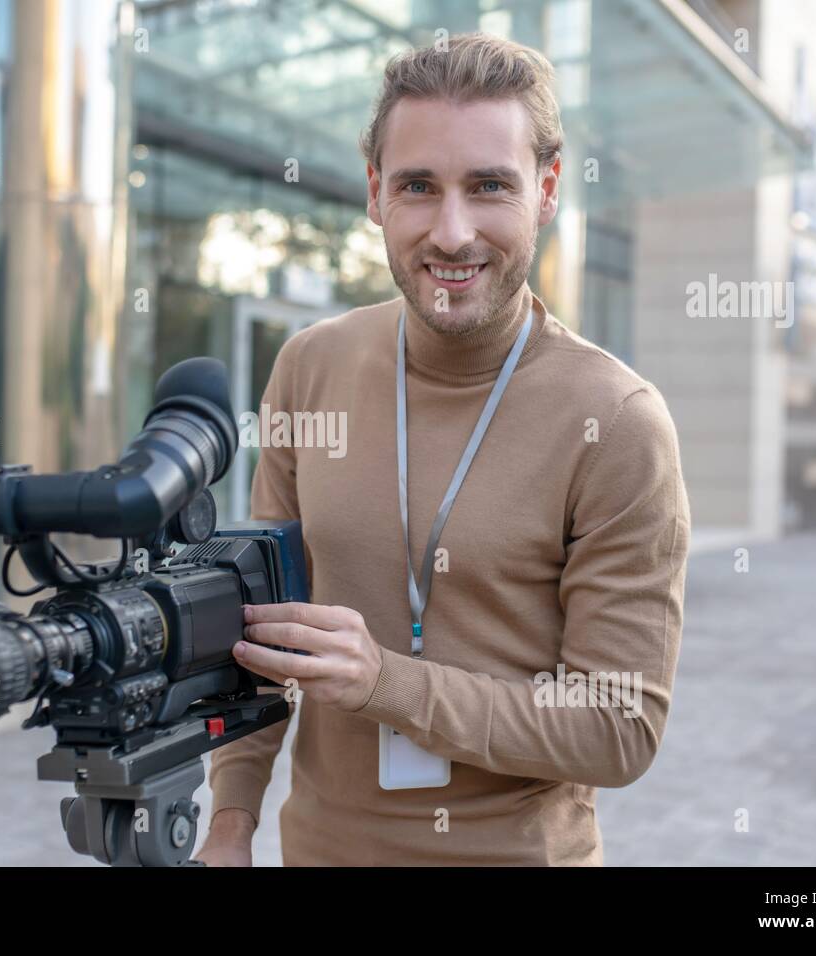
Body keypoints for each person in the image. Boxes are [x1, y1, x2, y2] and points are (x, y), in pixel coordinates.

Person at [195, 32, 691, 866]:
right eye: (418, 186)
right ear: (375, 192)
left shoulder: (619, 421)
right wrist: (231, 819)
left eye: (489, 186)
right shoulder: (309, 368)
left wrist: (387, 682)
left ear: (546, 190)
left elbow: (620, 727)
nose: (452, 234)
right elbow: (259, 637)